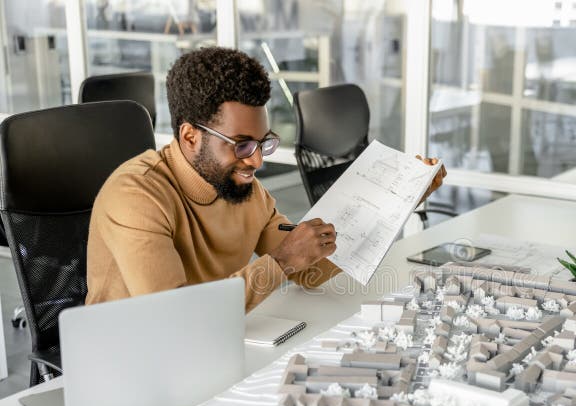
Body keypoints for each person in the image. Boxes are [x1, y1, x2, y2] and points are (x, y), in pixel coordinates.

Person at [86, 47, 445, 312]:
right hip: (133, 362)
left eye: (263, 143)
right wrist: (281, 262)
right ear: (190, 136)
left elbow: (309, 271)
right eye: (241, 145)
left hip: (212, 344)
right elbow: (174, 316)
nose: (256, 160)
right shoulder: (136, 195)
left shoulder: (246, 191)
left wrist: (399, 202)